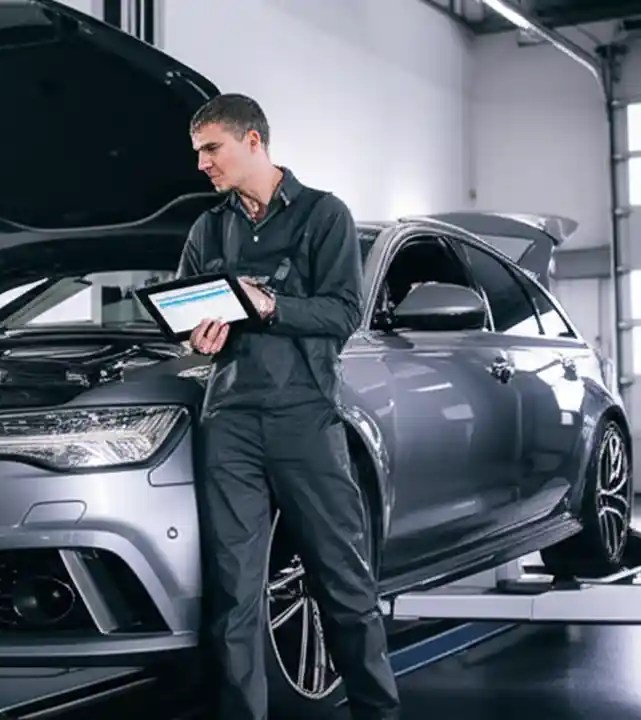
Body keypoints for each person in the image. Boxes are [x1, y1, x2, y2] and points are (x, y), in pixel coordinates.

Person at [176, 93, 401, 720]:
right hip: (228, 424)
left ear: (253, 142)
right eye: (198, 153)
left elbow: (343, 313)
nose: (203, 165)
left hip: (305, 419)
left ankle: (378, 712)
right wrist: (196, 335)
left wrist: (271, 307)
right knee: (235, 594)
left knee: (343, 580)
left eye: (211, 150)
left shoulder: (325, 216)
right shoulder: (206, 229)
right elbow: (190, 317)